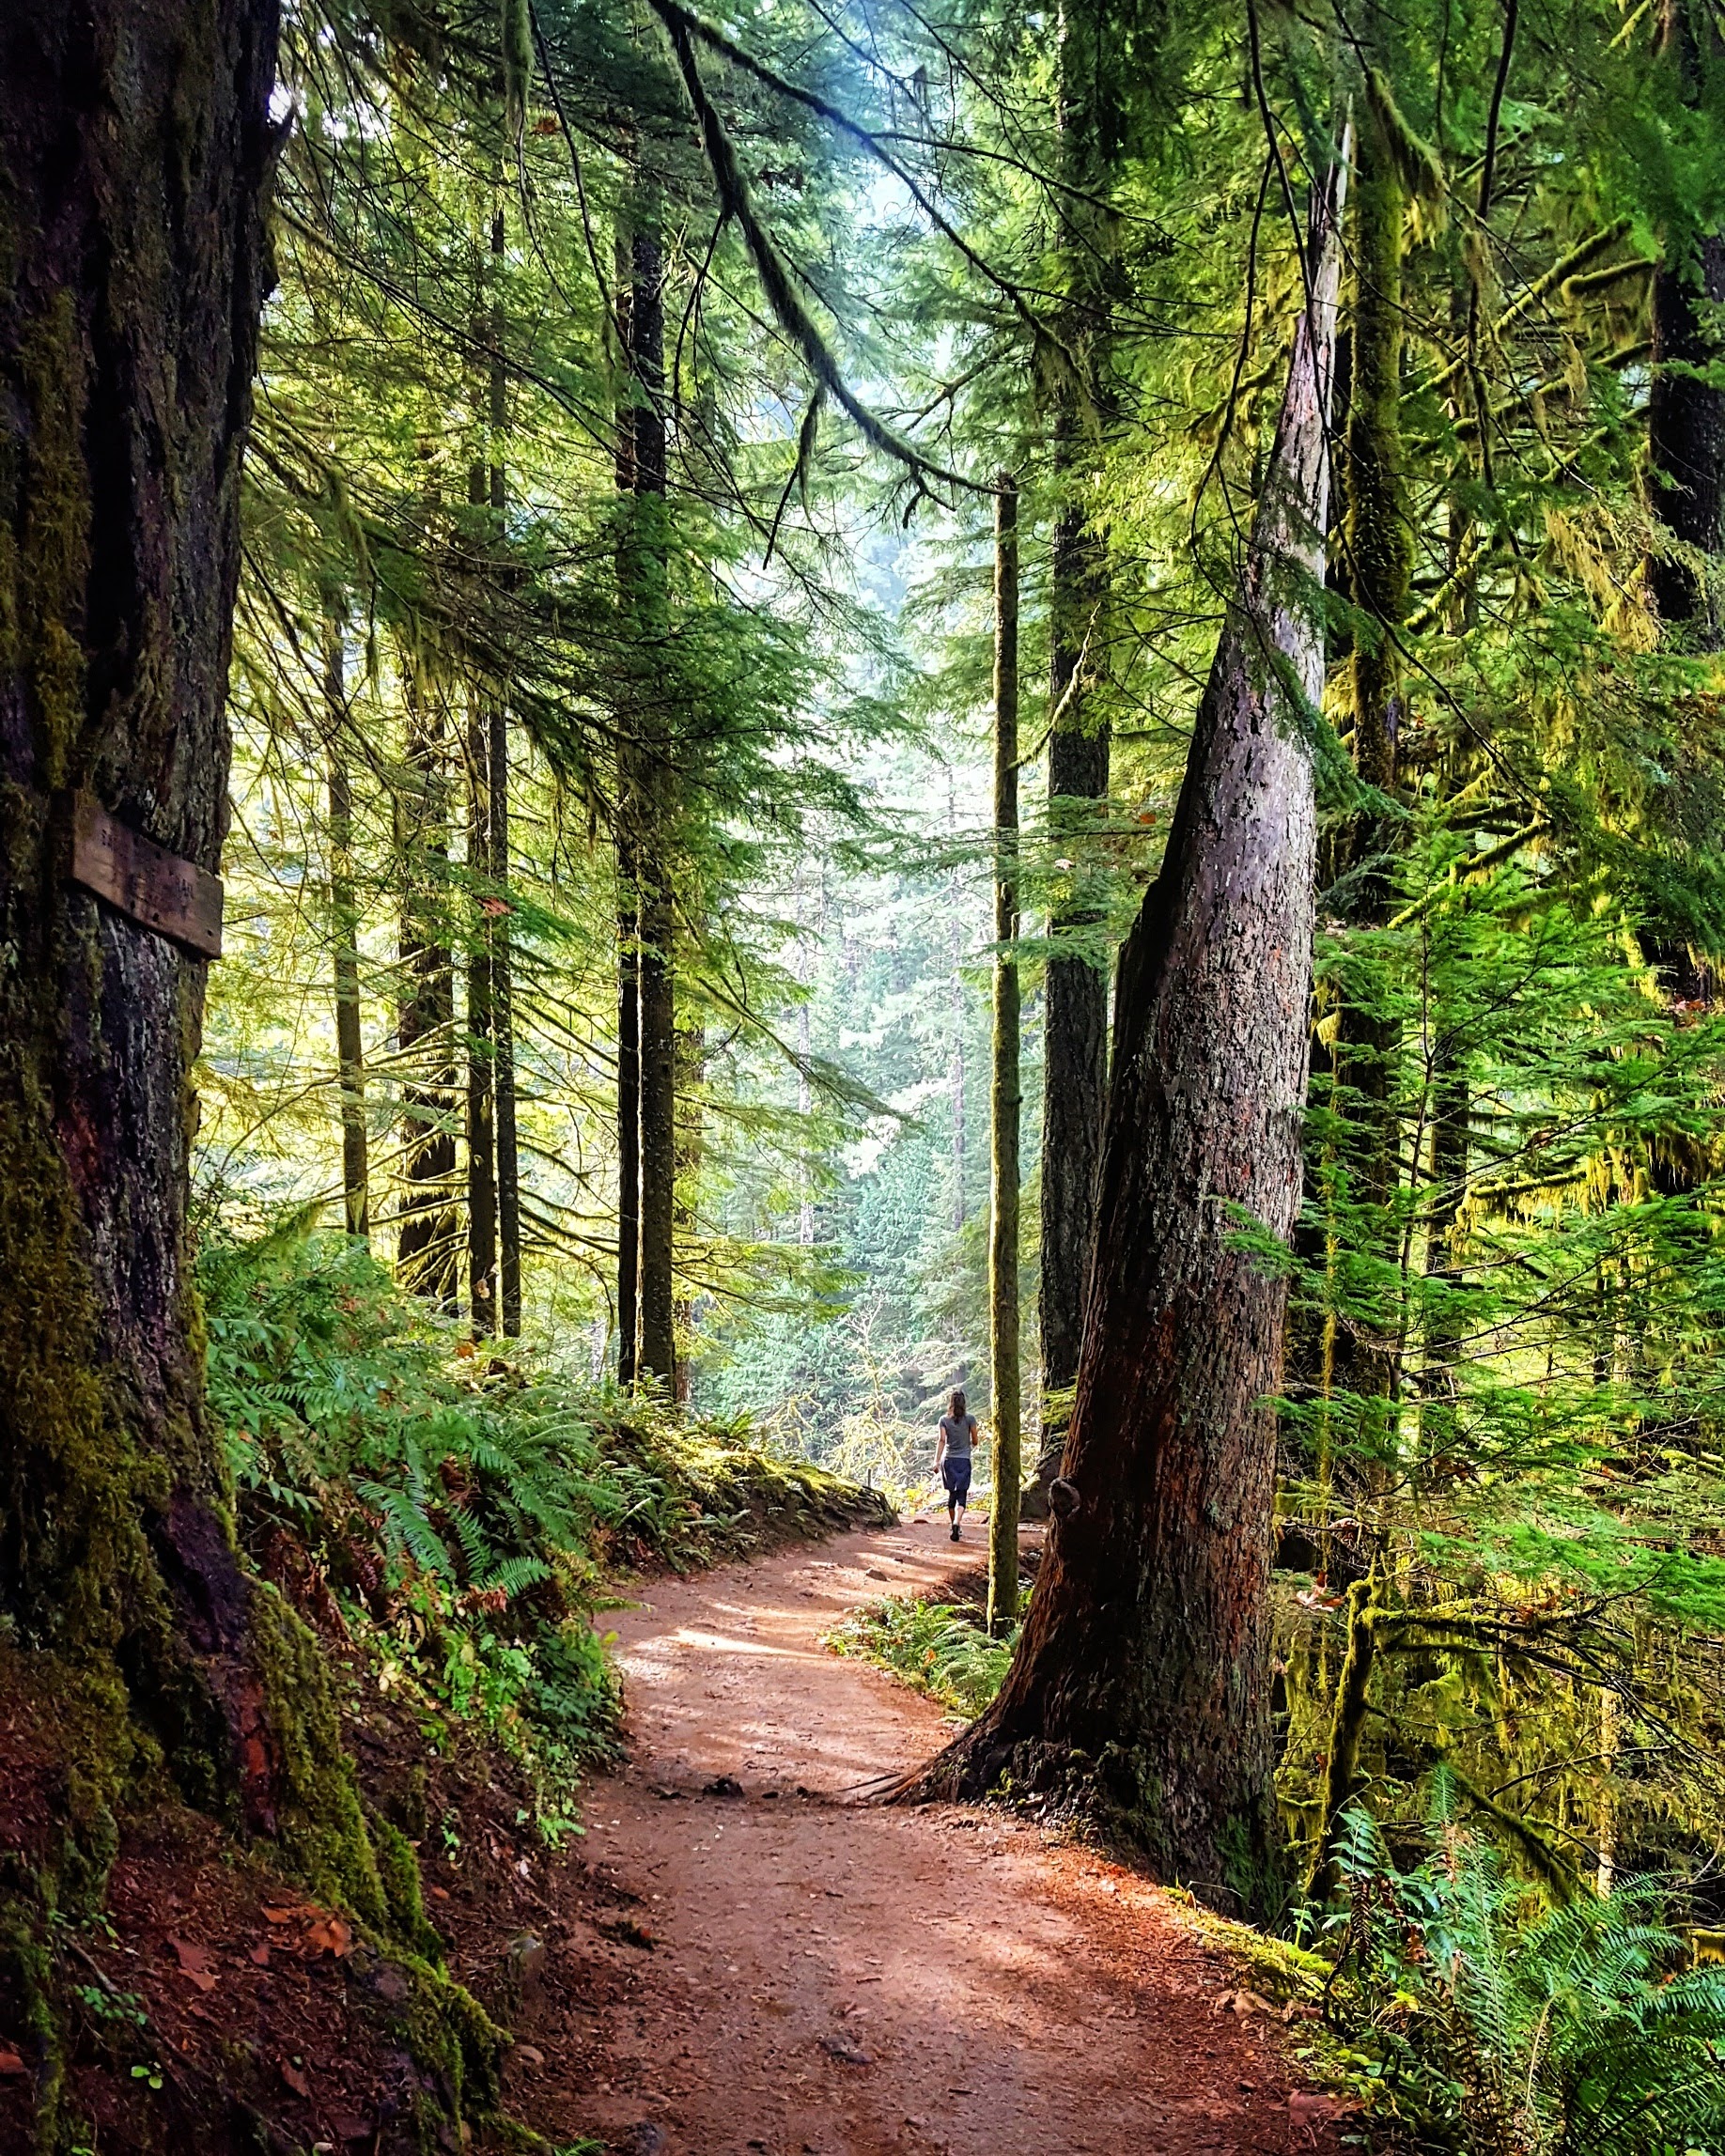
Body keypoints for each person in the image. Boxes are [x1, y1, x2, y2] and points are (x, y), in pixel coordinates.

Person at [935, 1388, 978, 1542]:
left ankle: (953, 1524)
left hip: (949, 1461)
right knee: (962, 1495)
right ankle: (957, 1523)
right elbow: (975, 1441)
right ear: (964, 1403)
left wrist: (936, 1461)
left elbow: (942, 1440)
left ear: (951, 1403)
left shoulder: (943, 1420)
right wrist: (970, 1441)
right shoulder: (970, 1419)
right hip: (963, 1460)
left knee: (952, 1494)